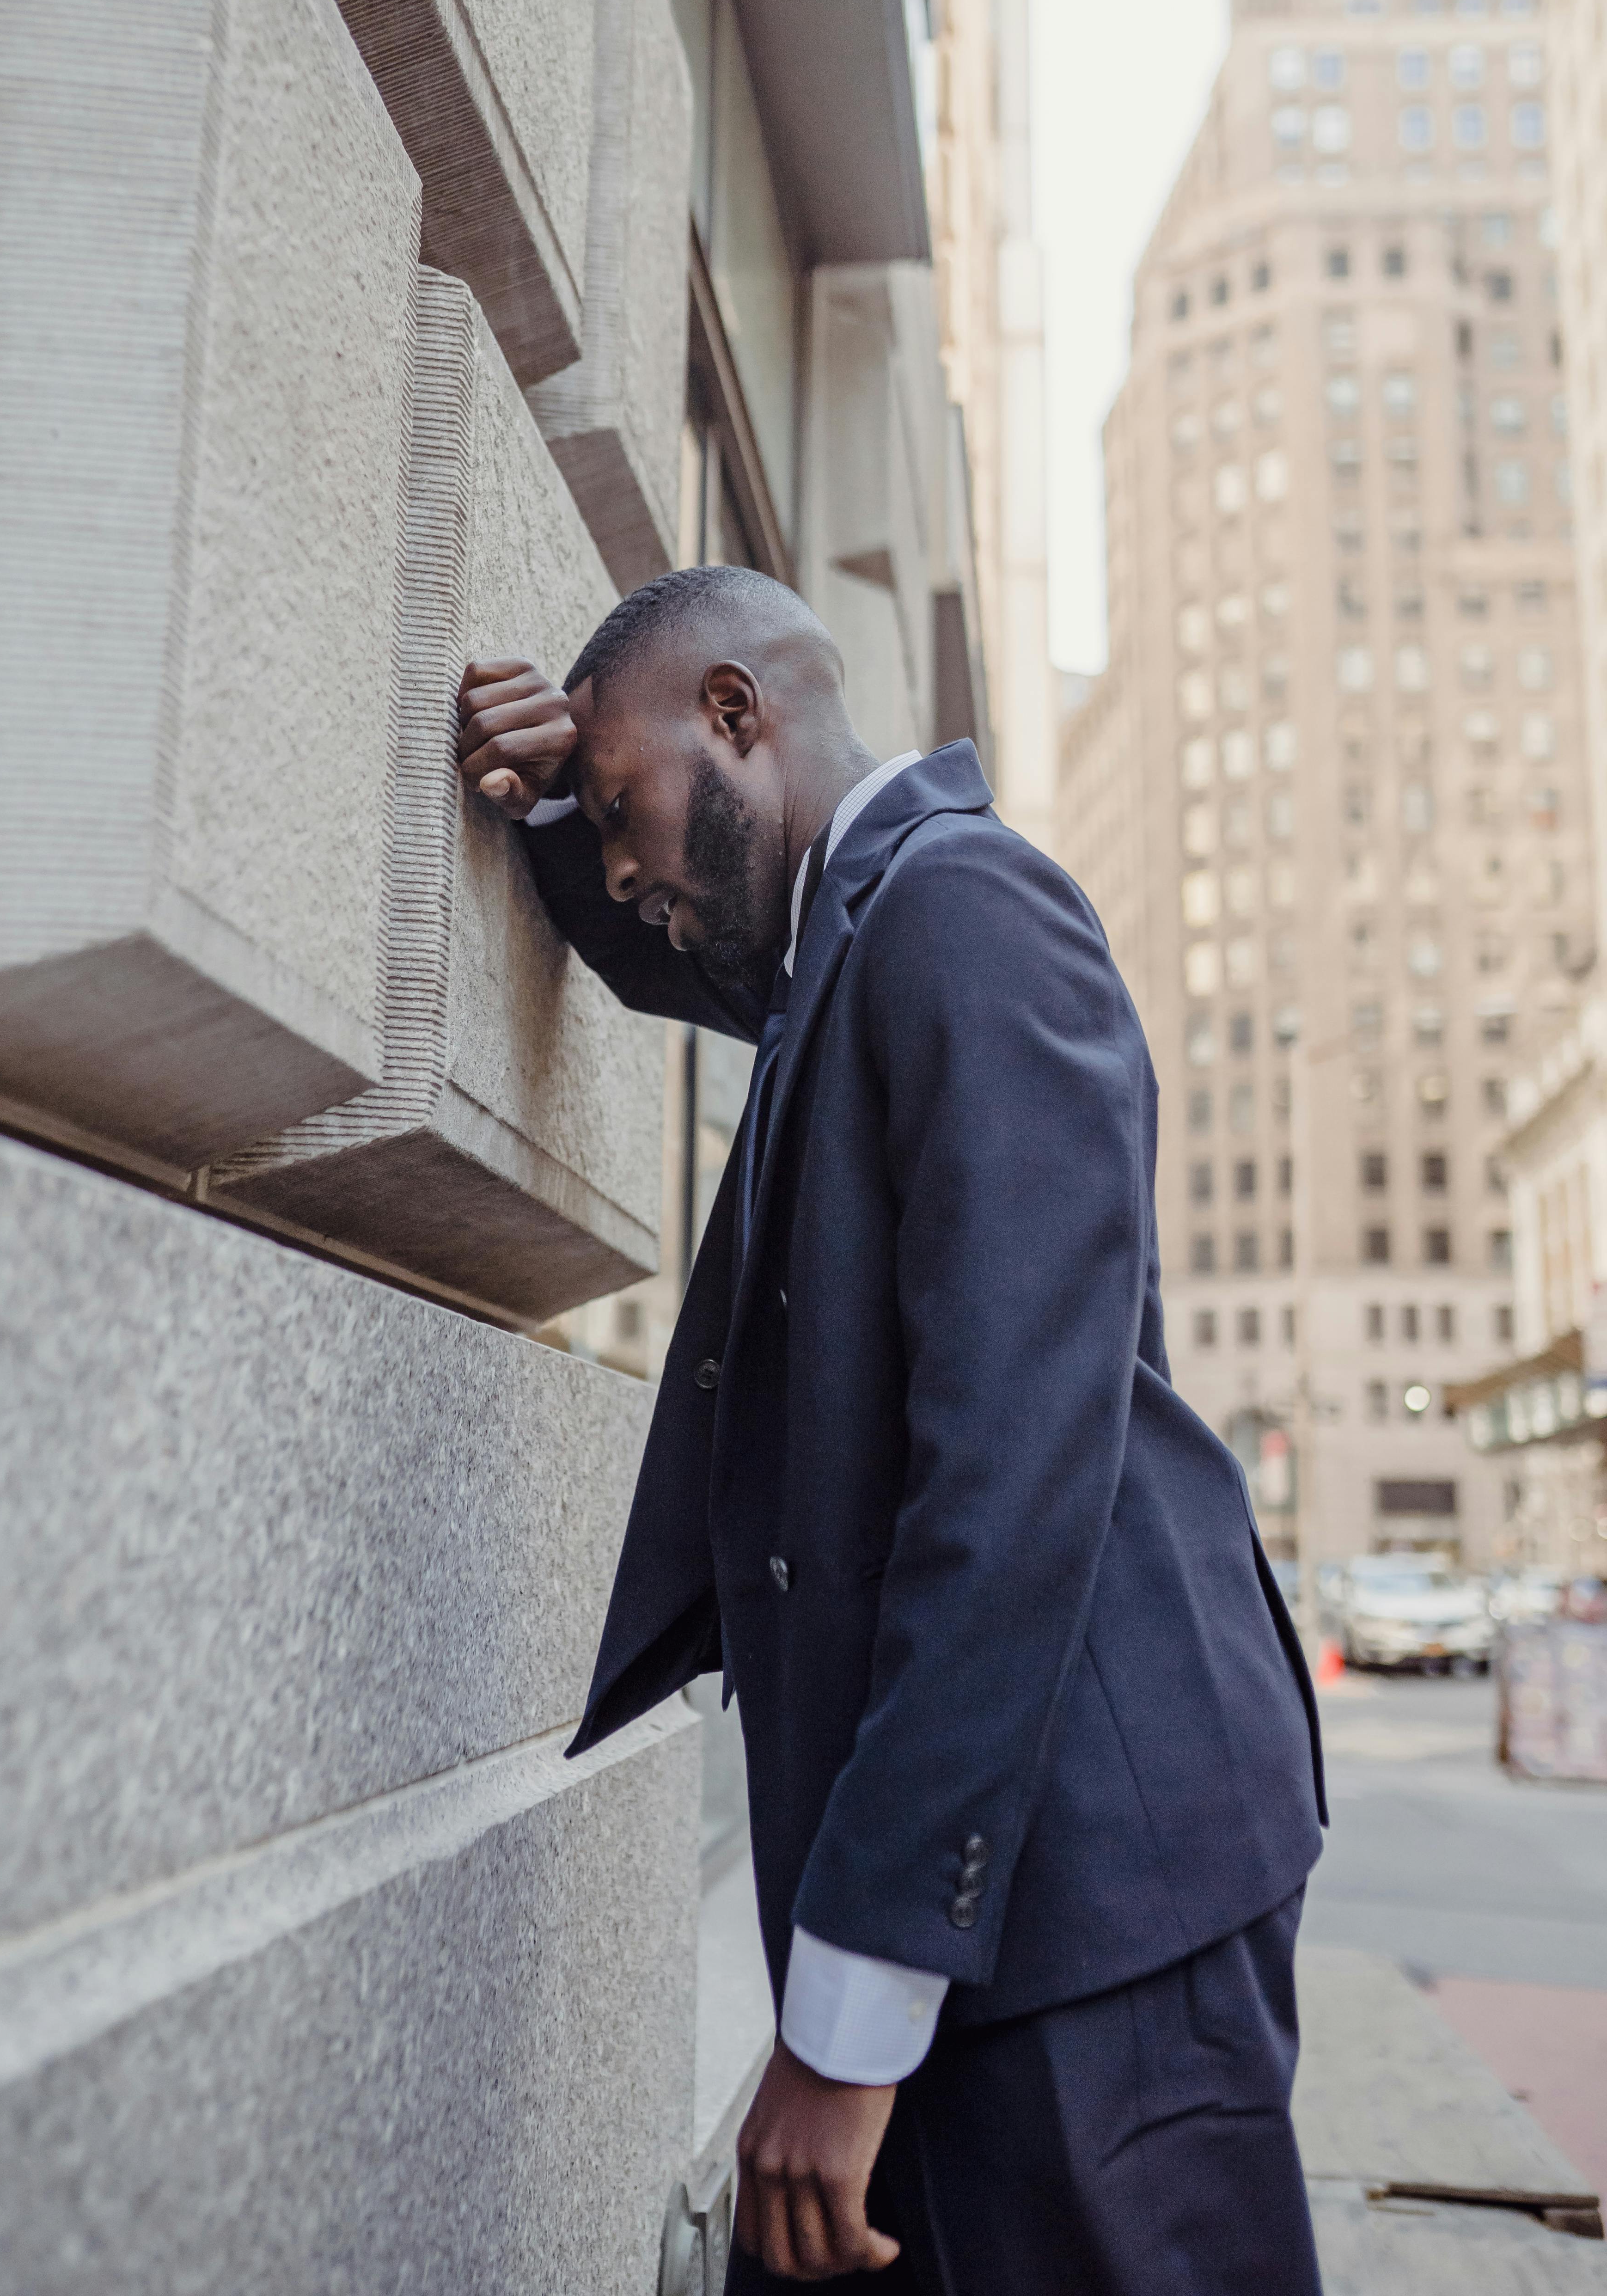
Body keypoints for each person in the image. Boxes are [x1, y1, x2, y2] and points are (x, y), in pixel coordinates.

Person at [456, 566, 1326, 2293]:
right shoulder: (856, 941)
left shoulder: (968, 910)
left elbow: (1013, 1478)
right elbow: (666, 947)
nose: (623, 875)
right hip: (1001, 1897)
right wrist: (560, 799)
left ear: (735, 713)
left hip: (1090, 1905)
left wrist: (848, 2017)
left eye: (628, 810)